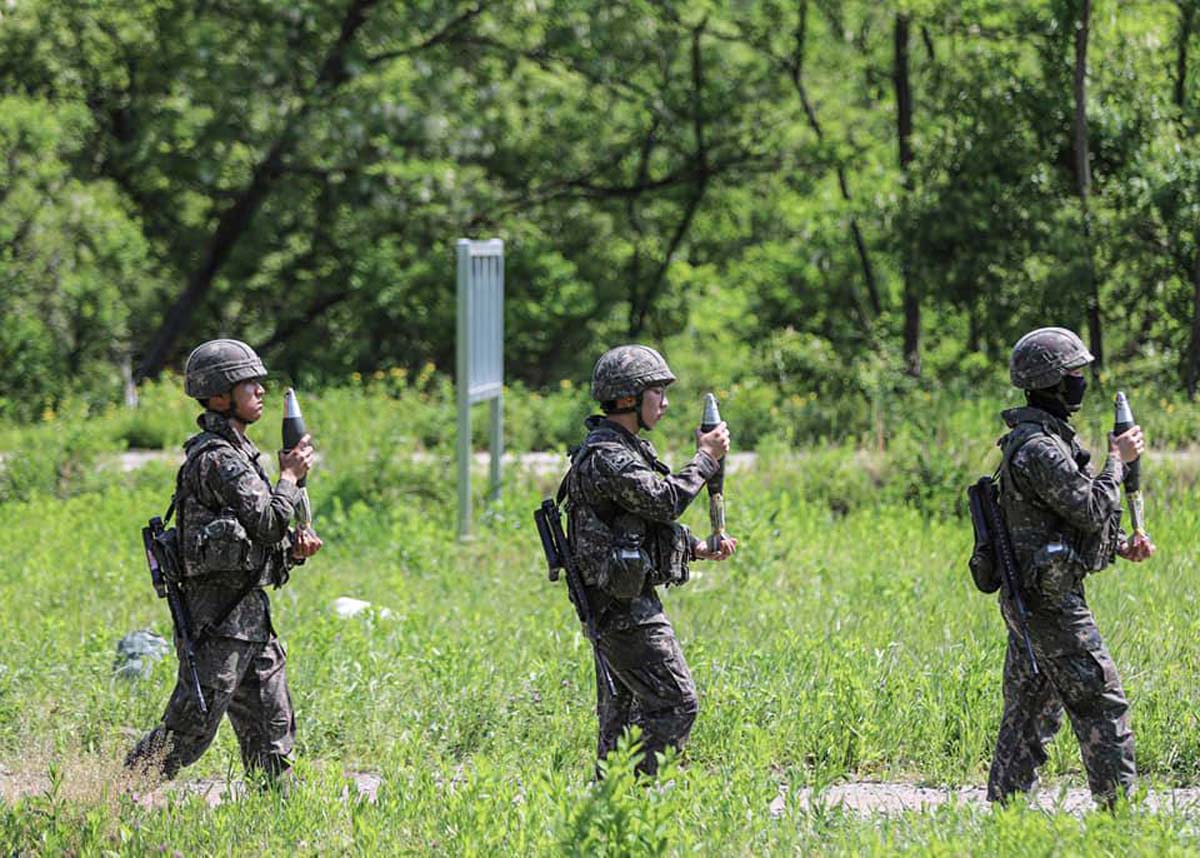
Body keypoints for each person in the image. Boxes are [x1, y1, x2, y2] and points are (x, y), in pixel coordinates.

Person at [126, 339, 322, 785]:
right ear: (218, 396)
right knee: (188, 732)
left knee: (272, 732)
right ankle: (111, 795)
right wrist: (289, 477)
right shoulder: (217, 459)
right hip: (217, 624)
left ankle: (276, 816)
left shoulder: (240, 454)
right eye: (248, 383)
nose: (260, 391)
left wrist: (292, 551)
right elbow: (268, 521)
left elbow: (257, 539)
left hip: (250, 619)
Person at [987, 326, 1155, 807]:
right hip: (1051, 606)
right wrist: (1118, 461)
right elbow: (1091, 507)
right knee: (1101, 704)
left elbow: (1055, 524)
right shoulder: (1039, 448)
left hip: (1036, 600)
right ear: (1053, 382)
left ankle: (1006, 816)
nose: (1080, 382)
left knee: (1030, 712)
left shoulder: (1045, 440)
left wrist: (1119, 545)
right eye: (1074, 374)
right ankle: (1118, 818)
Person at [560, 344, 737, 776]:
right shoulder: (608, 456)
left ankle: (611, 804)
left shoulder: (624, 449)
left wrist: (694, 548)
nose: (665, 403)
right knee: (675, 703)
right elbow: (663, 501)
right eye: (657, 392)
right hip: (622, 612)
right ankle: (637, 796)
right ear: (628, 398)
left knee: (622, 718)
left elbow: (636, 524)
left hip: (622, 603)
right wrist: (706, 458)